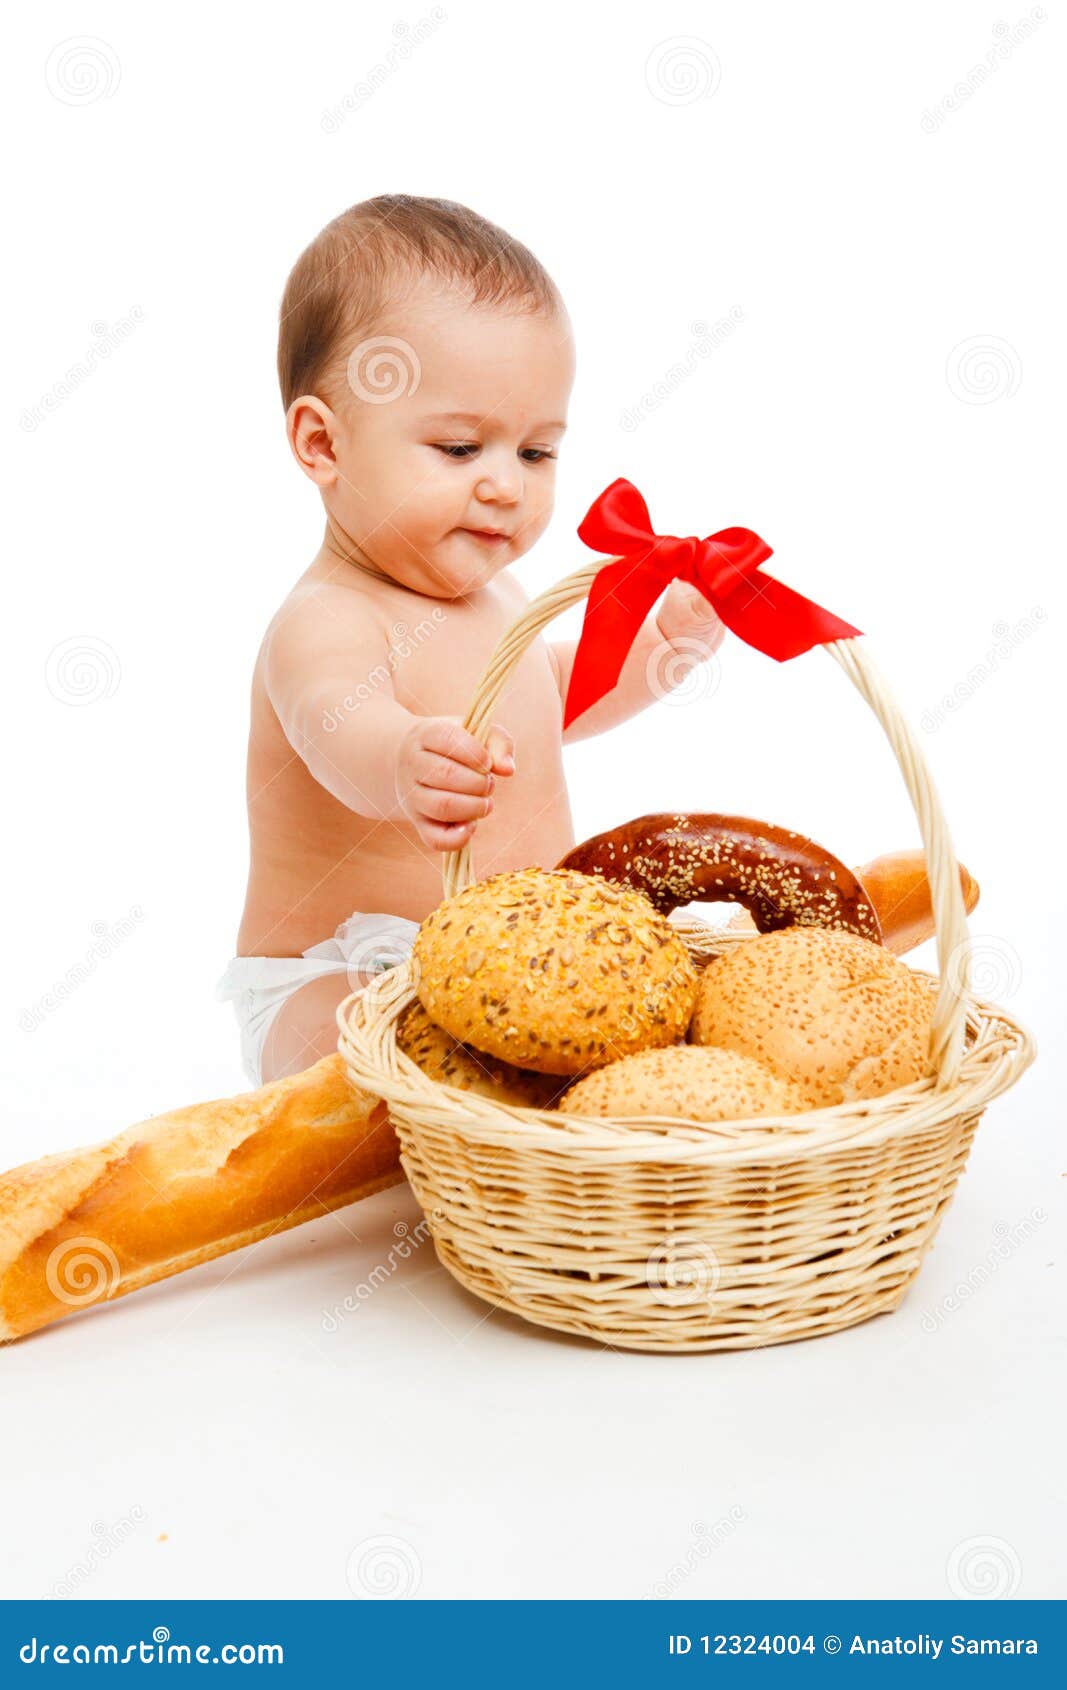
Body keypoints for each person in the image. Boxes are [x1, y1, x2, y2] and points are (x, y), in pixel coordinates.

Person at [217, 194, 724, 1085]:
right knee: (356, 1064)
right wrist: (403, 759)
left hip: (515, 972)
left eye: (535, 453)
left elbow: (547, 698)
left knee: (648, 1029)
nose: (505, 487)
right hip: (346, 967)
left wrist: (658, 653)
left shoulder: (498, 596)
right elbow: (341, 723)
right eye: (459, 449)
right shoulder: (326, 618)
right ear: (321, 443)